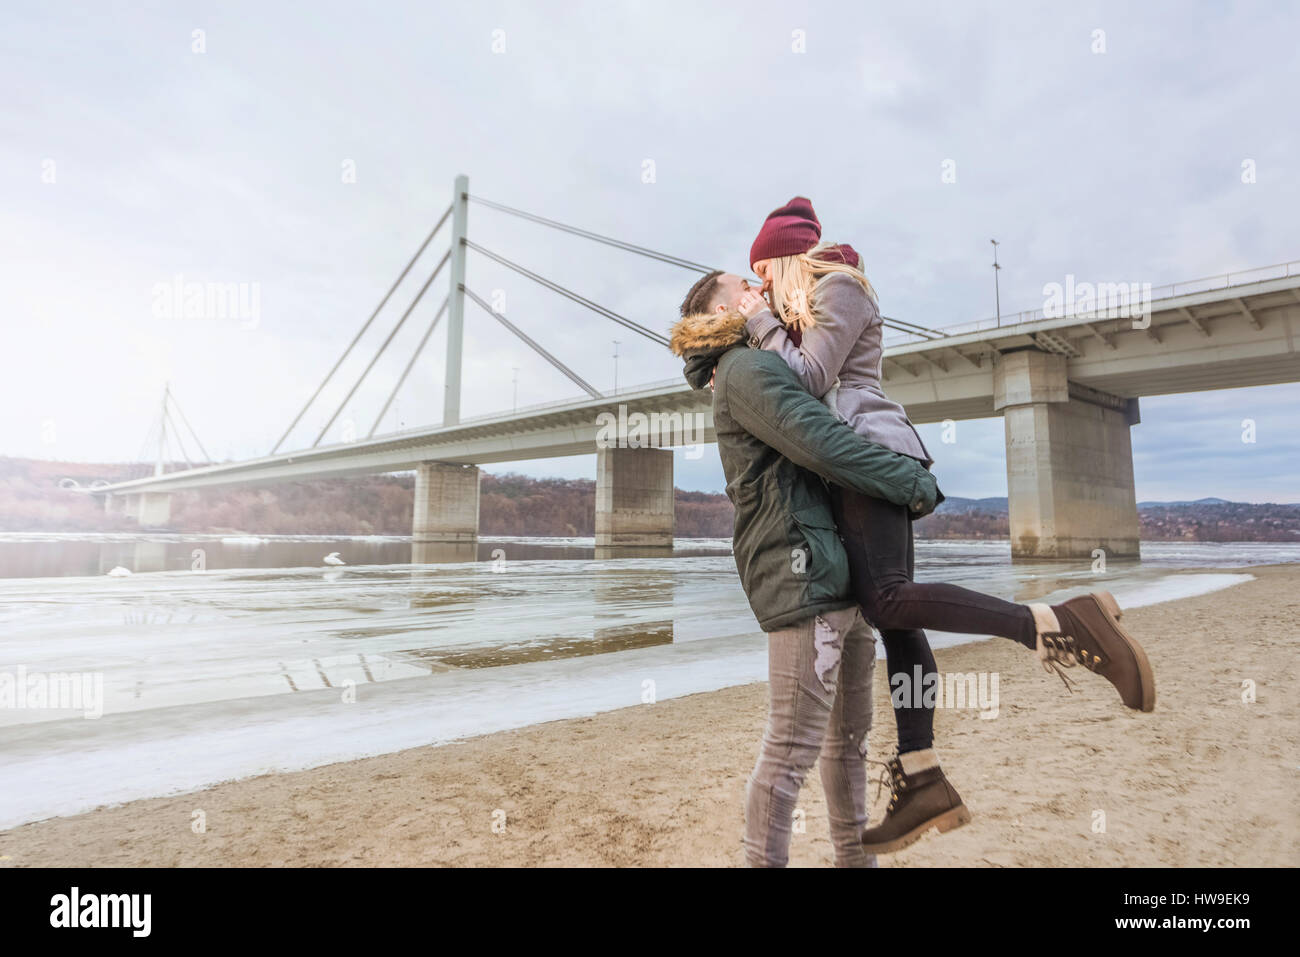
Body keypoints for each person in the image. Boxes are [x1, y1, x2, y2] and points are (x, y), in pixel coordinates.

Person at [724, 196, 1157, 854]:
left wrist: (755, 319)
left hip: (875, 454)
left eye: (761, 274)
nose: (758, 289)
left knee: (888, 599)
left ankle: (1056, 621)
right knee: (896, 616)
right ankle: (923, 774)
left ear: (784, 260)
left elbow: (808, 379)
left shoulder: (840, 286)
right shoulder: (814, 304)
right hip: (859, 467)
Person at [670, 273, 940, 867]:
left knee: (847, 746)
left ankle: (855, 860)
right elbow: (819, 442)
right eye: (743, 285)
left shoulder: (761, 358)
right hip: (802, 579)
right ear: (722, 309)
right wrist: (910, 481)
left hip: (836, 574)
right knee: (790, 750)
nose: (758, 286)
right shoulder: (745, 369)